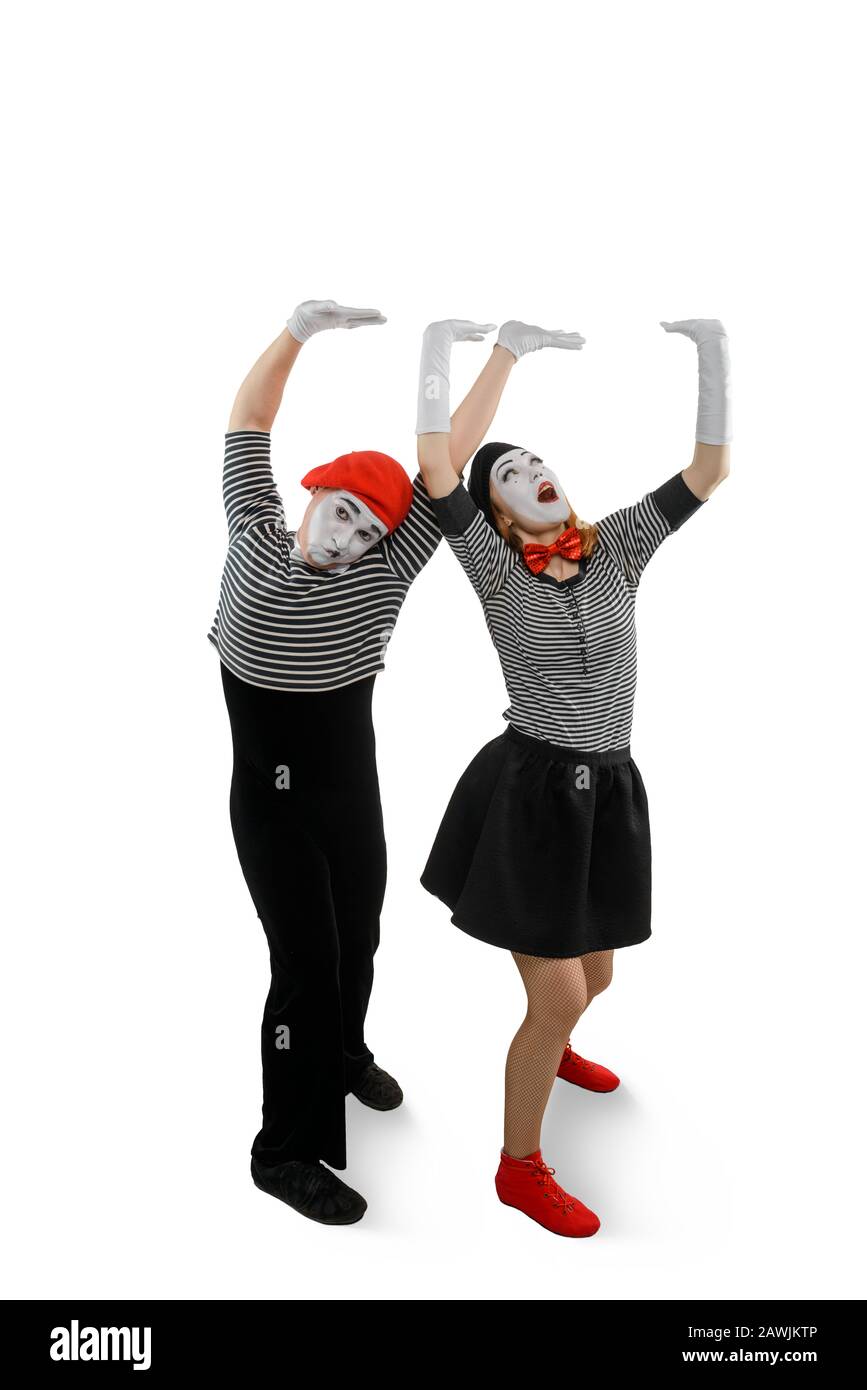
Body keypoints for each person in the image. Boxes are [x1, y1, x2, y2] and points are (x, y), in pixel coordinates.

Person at [415, 314, 732, 1237]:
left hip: (612, 788)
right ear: (501, 514)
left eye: (536, 461)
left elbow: (707, 471)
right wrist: (470, 345)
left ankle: (550, 1052)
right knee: (553, 993)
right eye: (508, 475)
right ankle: (519, 1168)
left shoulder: (618, 550)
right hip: (531, 798)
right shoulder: (492, 568)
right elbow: (436, 464)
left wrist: (710, 348)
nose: (530, 473)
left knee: (595, 979)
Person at [209, 298, 505, 1224]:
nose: (348, 540)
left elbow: (442, 463)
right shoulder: (253, 526)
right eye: (341, 514)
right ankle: (281, 1151)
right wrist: (296, 332)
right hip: (270, 793)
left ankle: (339, 1053)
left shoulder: (386, 568)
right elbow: (249, 419)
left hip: (347, 777)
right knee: (306, 960)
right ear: (312, 495)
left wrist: (499, 358)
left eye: (369, 532)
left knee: (360, 932)